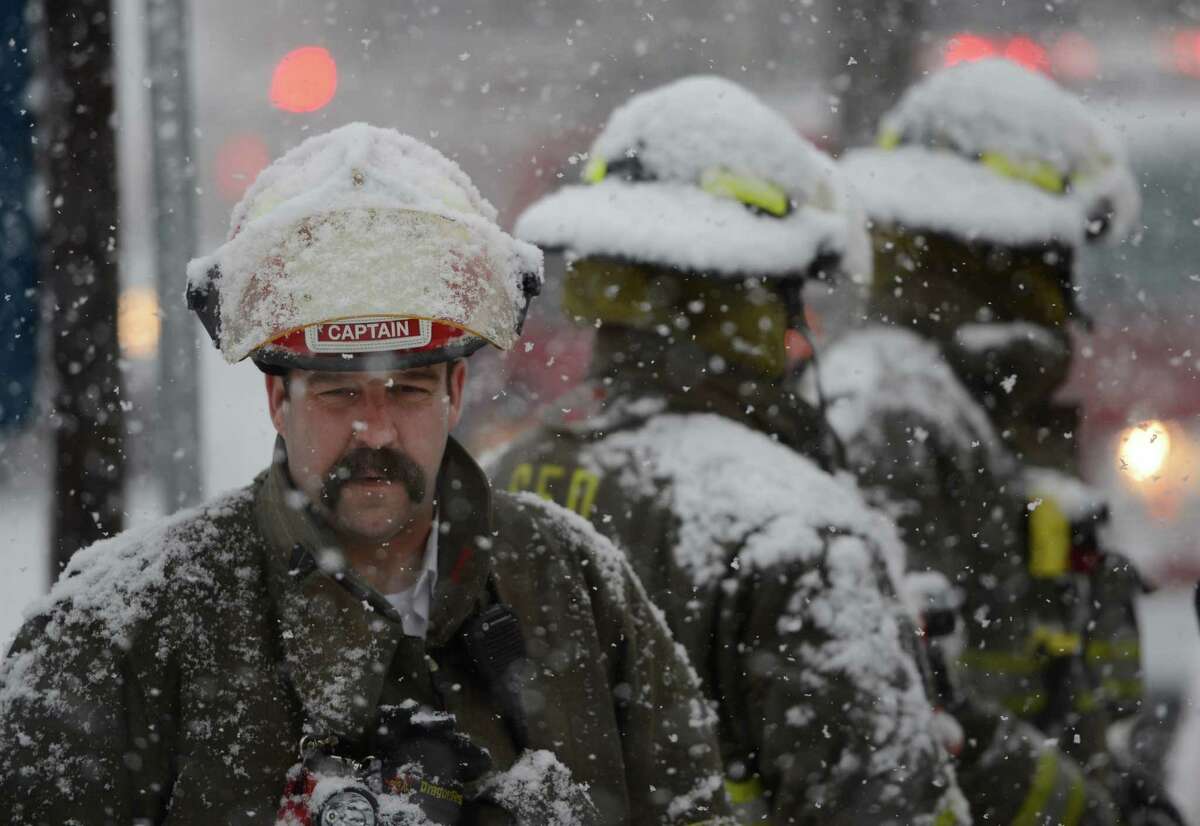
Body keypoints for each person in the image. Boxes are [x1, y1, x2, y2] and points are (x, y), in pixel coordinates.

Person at [0, 124, 732, 826]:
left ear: (453, 393)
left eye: (407, 390)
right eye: (338, 392)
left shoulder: (575, 584)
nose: (374, 430)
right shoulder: (124, 627)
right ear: (276, 399)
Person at [490, 75, 968, 825]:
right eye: (790, 300)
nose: (801, 331)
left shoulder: (505, 483)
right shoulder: (796, 532)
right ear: (750, 303)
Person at [801, 58, 1181, 824]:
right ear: (1001, 253)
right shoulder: (892, 416)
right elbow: (911, 710)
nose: (1066, 296)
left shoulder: (970, 404)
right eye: (1055, 260)